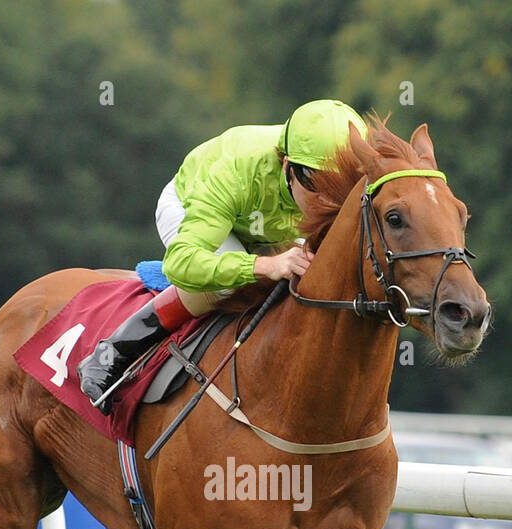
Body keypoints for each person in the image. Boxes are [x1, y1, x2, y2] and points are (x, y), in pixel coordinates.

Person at [78, 99, 368, 412]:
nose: (326, 198)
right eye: (314, 181)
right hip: (191, 206)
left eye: (341, 185)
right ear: (287, 165)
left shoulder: (330, 185)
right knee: (231, 285)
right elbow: (182, 263)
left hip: (267, 226)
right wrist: (263, 264)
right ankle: (114, 350)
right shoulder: (233, 170)